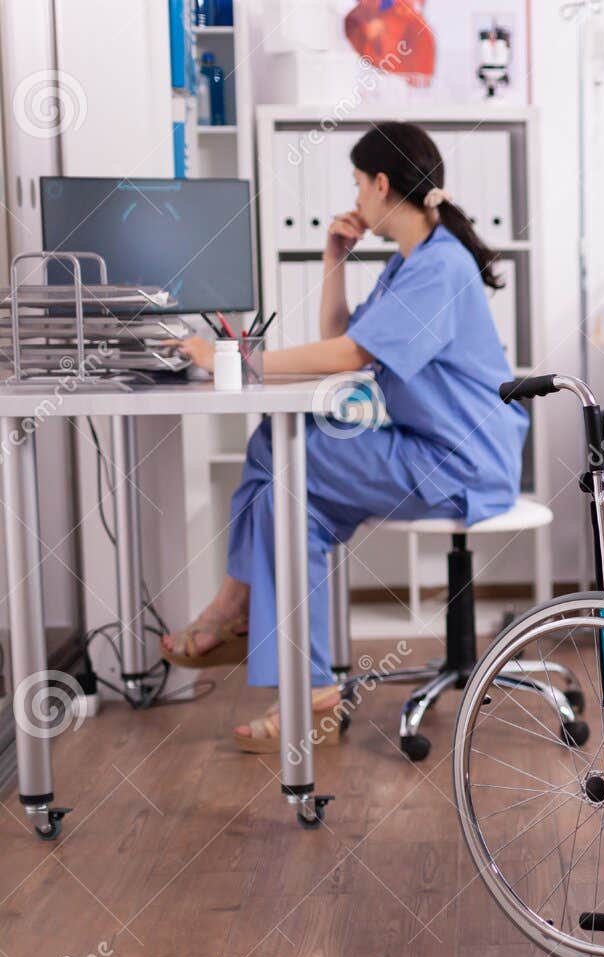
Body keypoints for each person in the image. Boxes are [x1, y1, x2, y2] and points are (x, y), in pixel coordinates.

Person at [162, 122, 527, 752]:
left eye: (359, 185)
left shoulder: (438, 267)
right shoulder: (412, 262)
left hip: (461, 462)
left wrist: (227, 358)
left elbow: (349, 355)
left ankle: (241, 616)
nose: (356, 199)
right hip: (430, 448)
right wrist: (334, 259)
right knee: (284, 478)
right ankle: (301, 678)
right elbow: (345, 336)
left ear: (382, 184)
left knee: (285, 460)